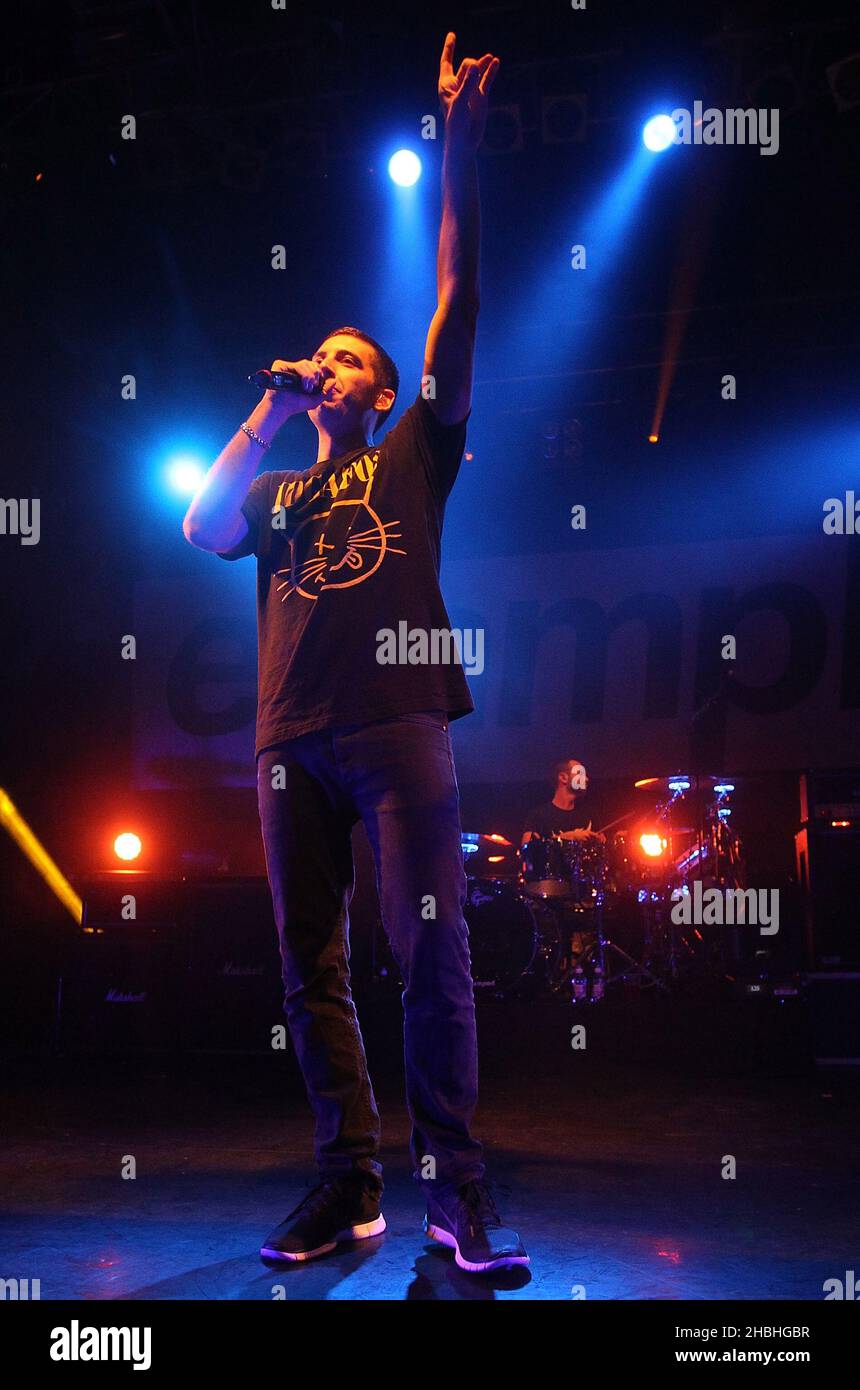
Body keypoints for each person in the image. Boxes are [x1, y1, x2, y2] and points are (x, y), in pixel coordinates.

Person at [182, 33, 528, 1275]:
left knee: (428, 945)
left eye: (344, 358)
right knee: (307, 963)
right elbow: (200, 526)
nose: (324, 362)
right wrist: (265, 406)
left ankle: (457, 1189)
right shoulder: (277, 485)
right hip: (289, 737)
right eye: (317, 352)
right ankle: (348, 1183)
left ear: (379, 389)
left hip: (396, 723)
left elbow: (458, 298)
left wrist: (459, 151)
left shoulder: (410, 451)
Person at [521, 759, 606, 848]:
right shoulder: (538, 816)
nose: (586, 779)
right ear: (563, 778)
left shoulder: (590, 815)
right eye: (580, 773)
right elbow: (526, 851)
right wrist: (569, 837)